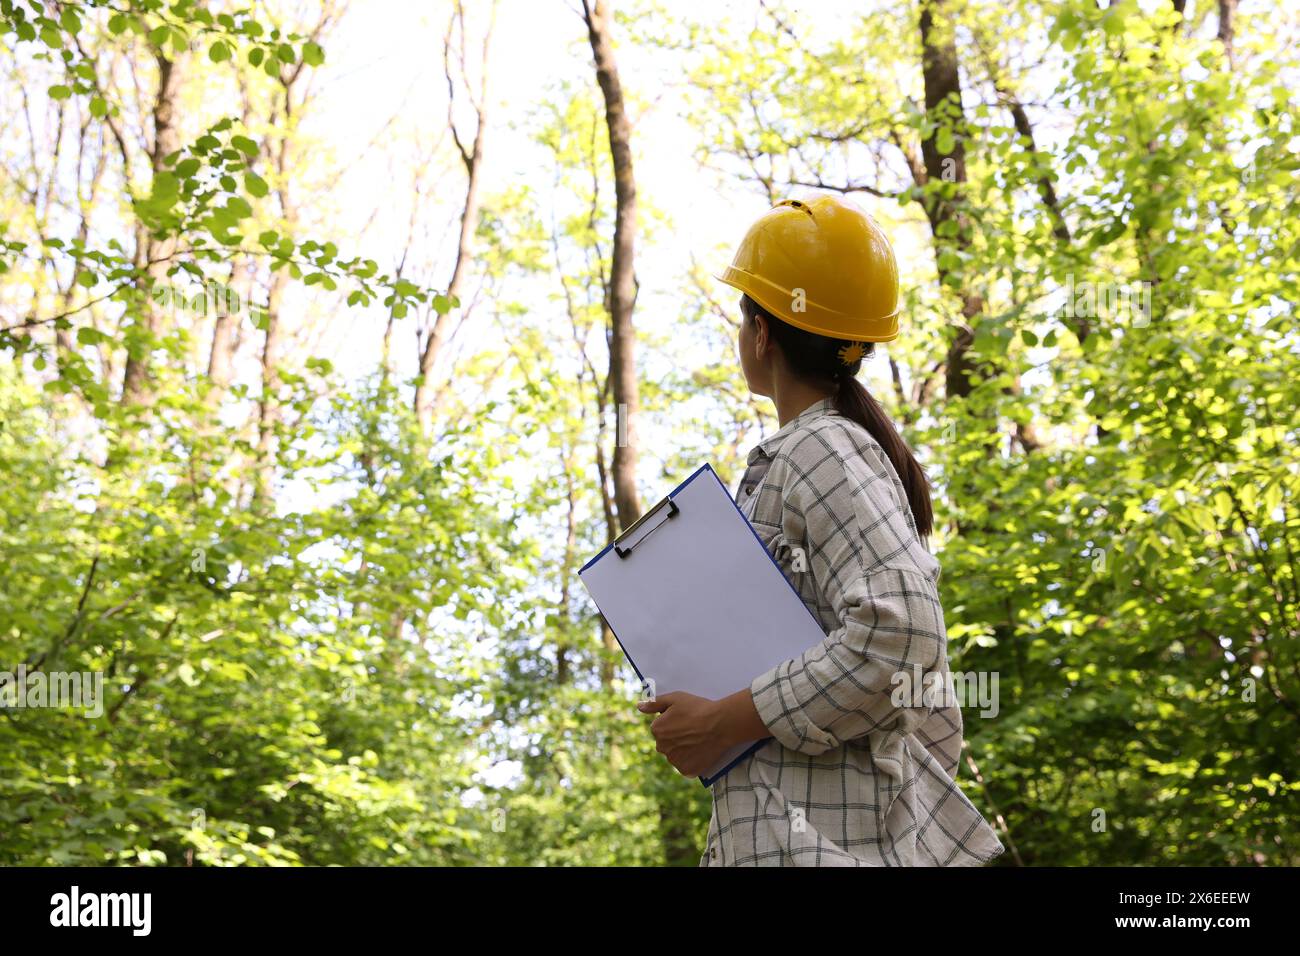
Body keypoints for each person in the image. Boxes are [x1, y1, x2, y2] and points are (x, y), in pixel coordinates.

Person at [636, 194, 1006, 866]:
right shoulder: (814, 454)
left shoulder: (823, 449)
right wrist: (712, 724)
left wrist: (723, 720)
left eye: (744, 313)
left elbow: (904, 635)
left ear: (763, 333)